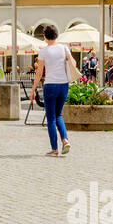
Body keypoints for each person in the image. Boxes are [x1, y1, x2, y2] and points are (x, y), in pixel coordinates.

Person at [32, 25, 78, 157]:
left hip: (50, 85)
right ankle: (65, 140)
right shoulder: (64, 48)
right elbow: (73, 64)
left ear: (45, 37)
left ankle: (54, 149)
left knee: (51, 118)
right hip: (63, 85)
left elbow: (39, 73)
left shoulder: (44, 51)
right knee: (59, 115)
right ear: (56, 35)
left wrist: (33, 89)